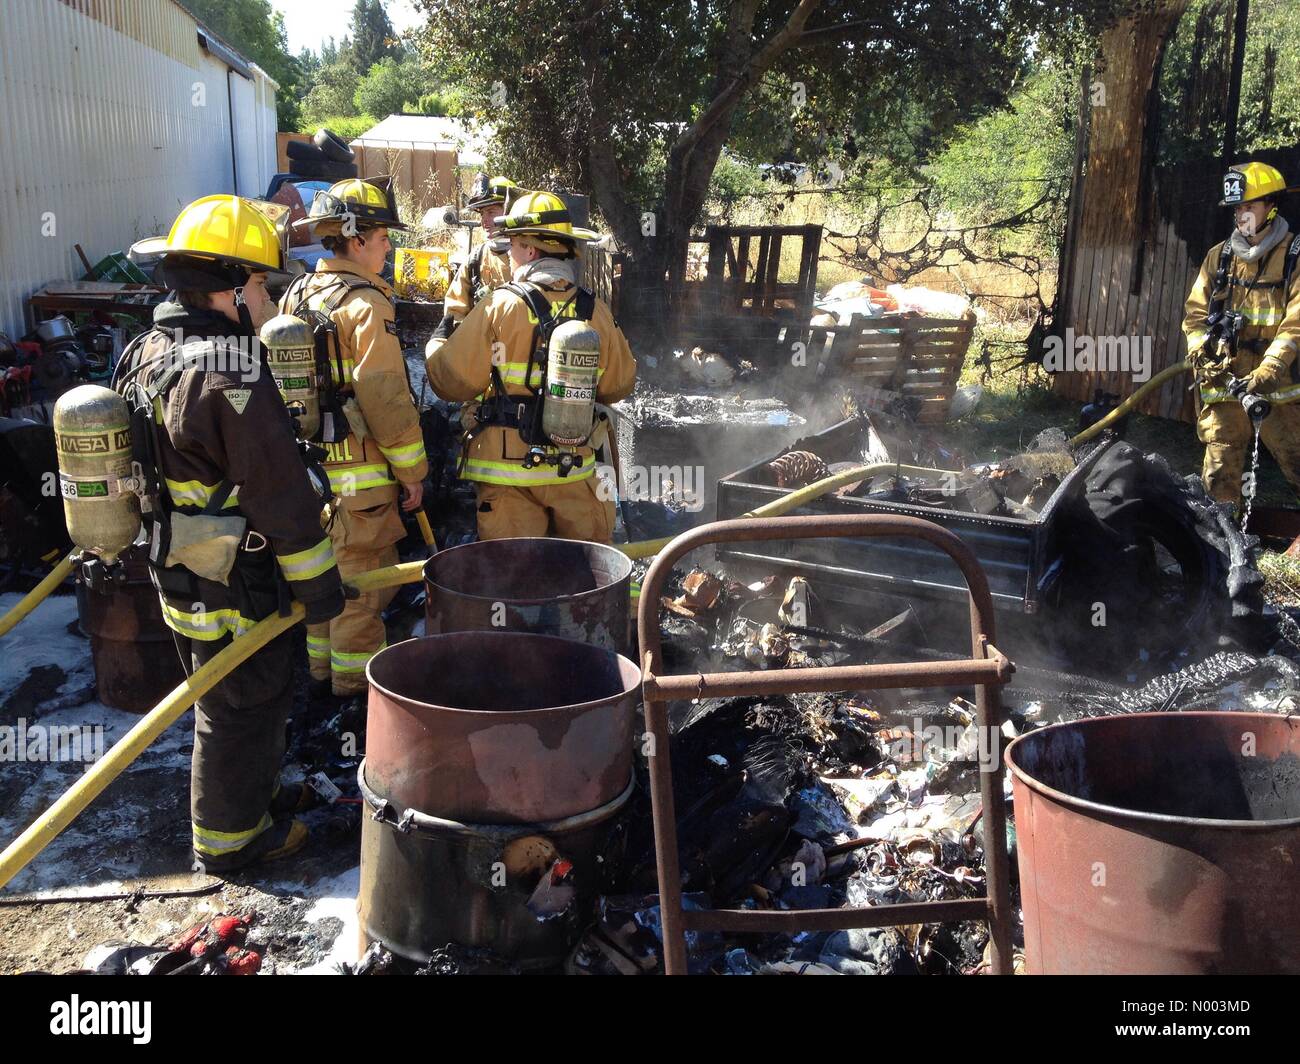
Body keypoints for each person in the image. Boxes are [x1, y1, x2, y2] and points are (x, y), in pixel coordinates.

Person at [117, 195, 345, 874]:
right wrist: (321, 589)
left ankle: (259, 793)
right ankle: (231, 842)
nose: (269, 299)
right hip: (236, 585)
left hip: (179, 570)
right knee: (241, 708)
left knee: (239, 701)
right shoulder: (230, 371)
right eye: (260, 285)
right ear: (231, 288)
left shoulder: (149, 349)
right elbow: (279, 496)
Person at [280, 177, 428, 699]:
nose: (390, 246)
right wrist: (413, 472)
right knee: (362, 593)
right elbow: (384, 398)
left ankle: (320, 678)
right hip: (362, 487)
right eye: (384, 236)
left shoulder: (296, 293)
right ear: (356, 239)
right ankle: (354, 702)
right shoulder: (366, 305)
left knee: (323, 587)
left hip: (309, 480)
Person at [425, 190, 636, 542]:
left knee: (515, 581)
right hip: (573, 471)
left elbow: (454, 382)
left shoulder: (499, 305)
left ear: (530, 251)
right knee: (582, 576)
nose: (508, 257)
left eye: (512, 247)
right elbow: (620, 384)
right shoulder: (593, 309)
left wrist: (436, 346)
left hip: (507, 476)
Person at [1184, 161, 1300, 508]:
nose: (1241, 214)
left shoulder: (1294, 256)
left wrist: (1269, 369)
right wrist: (1201, 351)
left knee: (1296, 457)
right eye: (1237, 207)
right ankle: (1222, 543)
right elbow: (1195, 315)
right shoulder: (1219, 257)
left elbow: (1296, 320)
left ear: (1272, 206)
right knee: (1221, 467)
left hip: (1279, 387)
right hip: (1225, 381)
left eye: (1249, 205)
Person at [426, 173, 517, 355]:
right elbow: (455, 309)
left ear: (510, 211)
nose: (484, 221)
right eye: (482, 213)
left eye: (491, 212)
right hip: (483, 362)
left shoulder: (529, 257)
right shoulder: (476, 259)